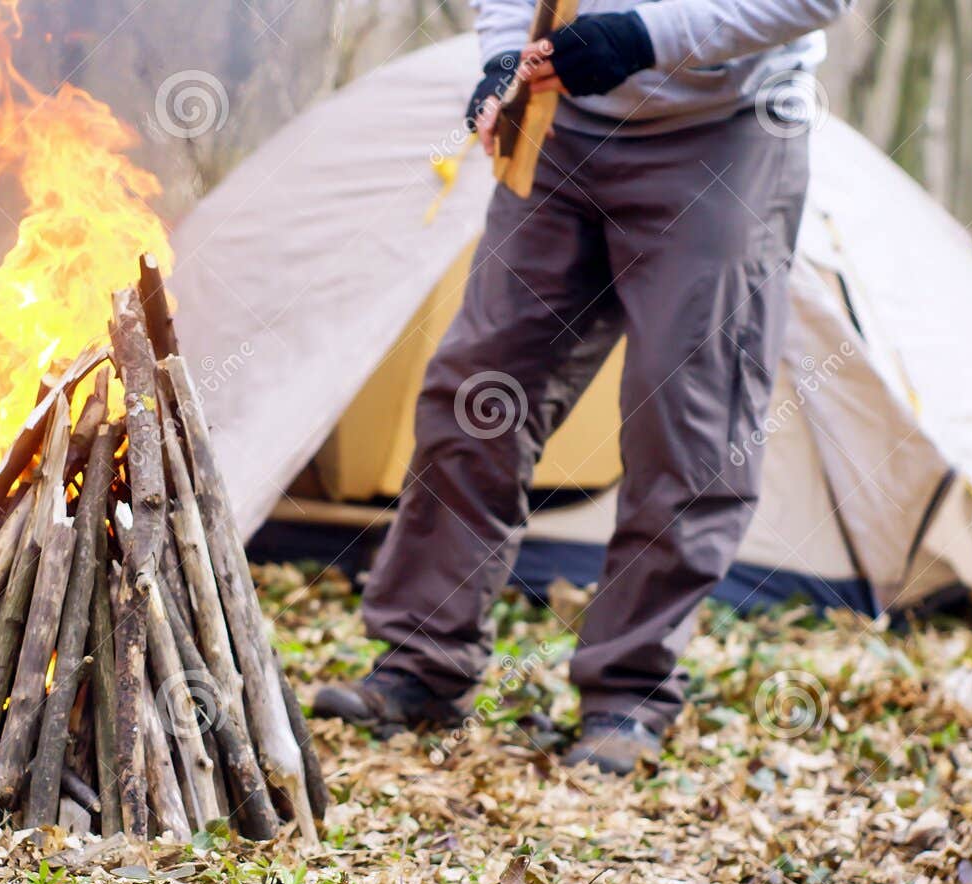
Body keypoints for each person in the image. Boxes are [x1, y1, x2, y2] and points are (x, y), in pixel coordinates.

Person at [313, 0, 856, 773]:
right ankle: (423, 665)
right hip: (563, 124)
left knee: (688, 425)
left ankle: (627, 693)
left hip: (727, 133)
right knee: (477, 389)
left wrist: (646, 36)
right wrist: (506, 57)